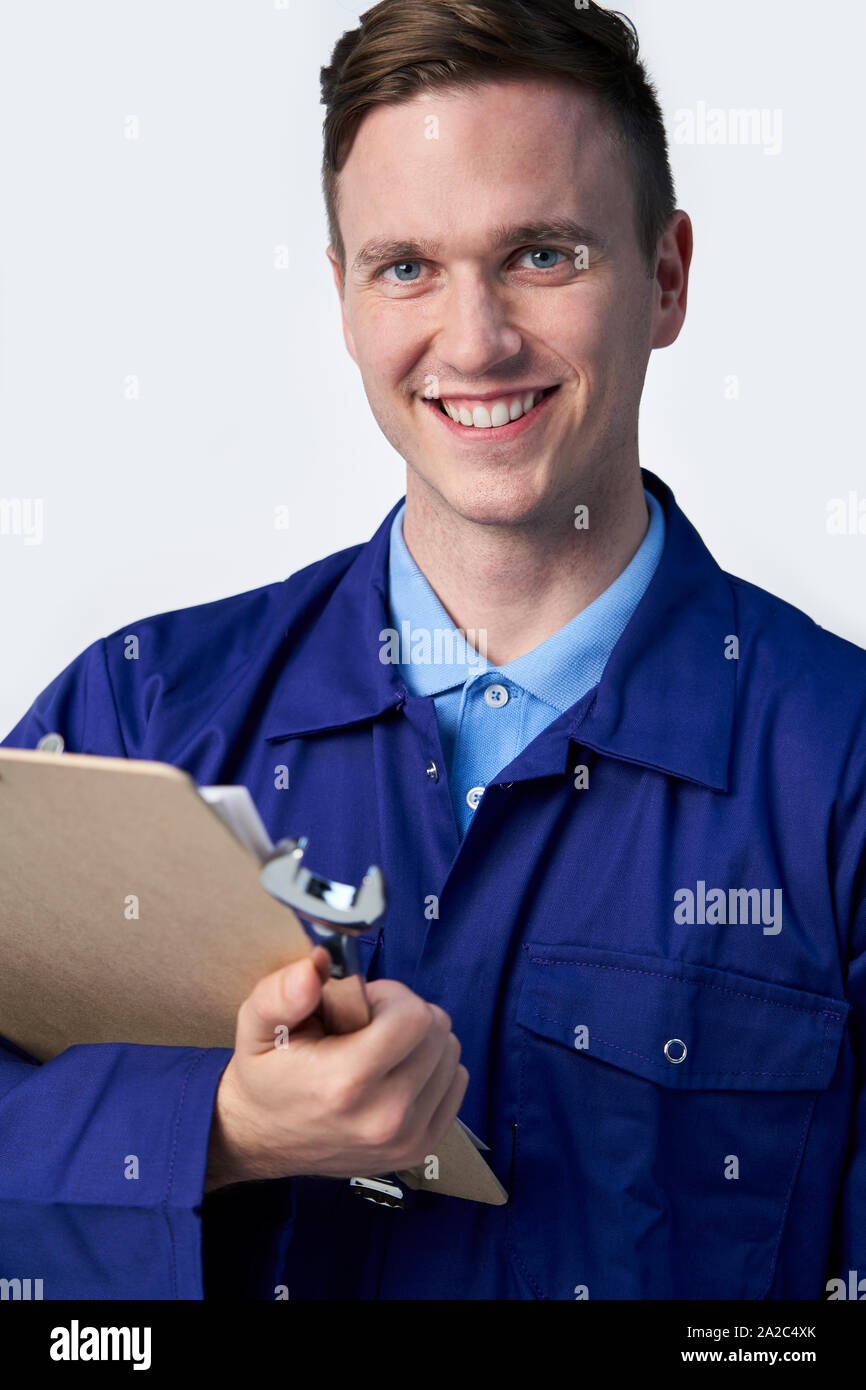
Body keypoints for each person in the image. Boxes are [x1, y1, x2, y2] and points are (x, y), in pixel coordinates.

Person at [2, 0, 864, 1301]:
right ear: (344, 298)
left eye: (540, 254)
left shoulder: (839, 767)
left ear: (667, 275)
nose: (472, 342)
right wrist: (221, 1127)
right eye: (405, 265)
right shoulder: (139, 712)